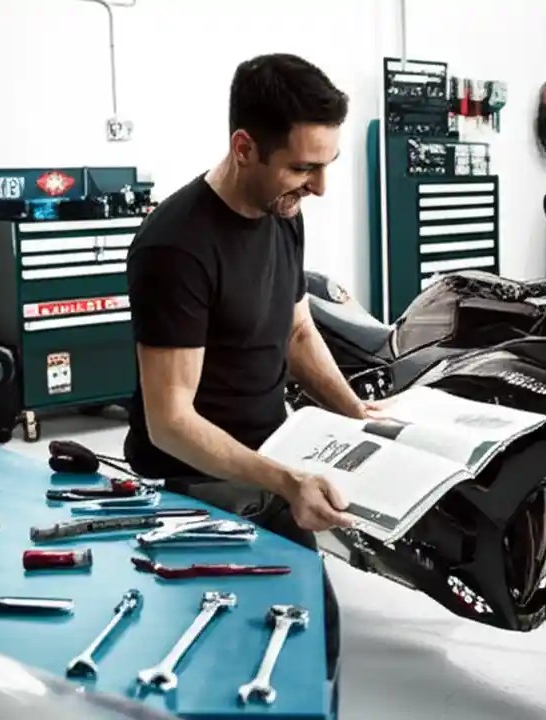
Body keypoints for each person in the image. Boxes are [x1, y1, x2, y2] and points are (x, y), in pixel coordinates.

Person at [122, 53, 377, 678]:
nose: (318, 188)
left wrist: (360, 413)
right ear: (244, 147)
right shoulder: (176, 247)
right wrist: (285, 481)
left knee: (313, 640)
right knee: (221, 662)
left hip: (270, 470)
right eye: (303, 167)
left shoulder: (281, 214)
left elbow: (295, 329)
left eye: (326, 166)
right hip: (194, 491)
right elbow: (170, 421)